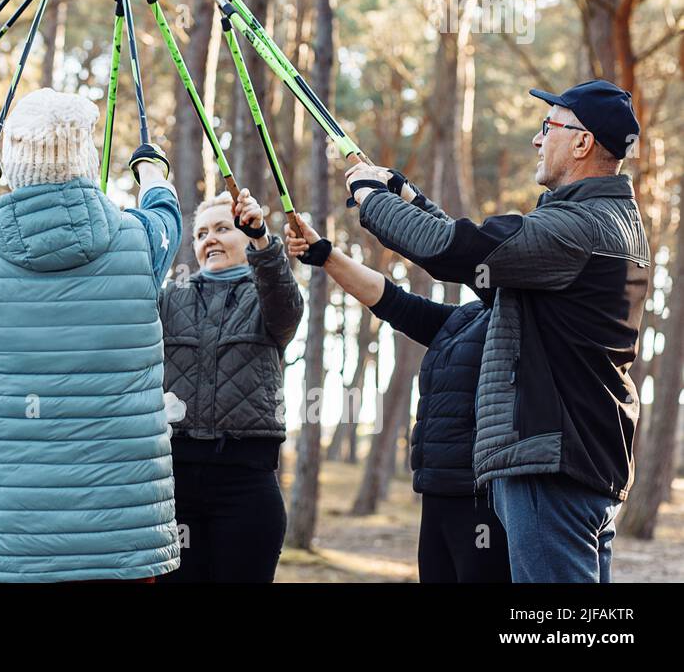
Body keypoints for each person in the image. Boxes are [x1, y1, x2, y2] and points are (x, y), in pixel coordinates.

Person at [344, 80, 649, 583]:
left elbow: (454, 250)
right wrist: (409, 198)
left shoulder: (577, 226)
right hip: (575, 458)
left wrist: (370, 198)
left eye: (547, 126)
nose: (536, 139)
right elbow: (486, 266)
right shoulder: (604, 221)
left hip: (549, 460)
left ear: (581, 142)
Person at [0, 88, 183, 582]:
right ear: (87, 157)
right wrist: (151, 170)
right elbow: (167, 213)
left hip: (5, 535)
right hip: (122, 534)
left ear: (16, 162)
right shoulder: (140, 239)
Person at [285, 178, 510, 582]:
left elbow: (456, 251)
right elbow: (389, 299)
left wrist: (388, 201)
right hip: (435, 494)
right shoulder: (462, 319)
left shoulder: (523, 320)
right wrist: (326, 255)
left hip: (486, 503)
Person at [156, 188, 303, 582]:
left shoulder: (268, 296)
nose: (210, 239)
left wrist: (262, 239)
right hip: (176, 485)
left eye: (223, 228)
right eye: (201, 234)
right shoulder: (171, 298)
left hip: (247, 484)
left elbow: (287, 307)